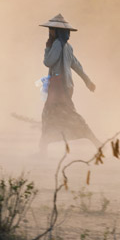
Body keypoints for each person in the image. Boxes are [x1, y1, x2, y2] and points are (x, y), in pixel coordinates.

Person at [38, 13, 97, 155]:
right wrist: (87, 81)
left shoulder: (57, 44)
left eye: (52, 29)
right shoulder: (68, 46)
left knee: (54, 116)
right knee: (56, 116)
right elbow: (77, 65)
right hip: (66, 87)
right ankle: (43, 148)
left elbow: (48, 62)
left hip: (58, 88)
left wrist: (47, 48)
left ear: (57, 31)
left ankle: (95, 140)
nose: (50, 32)